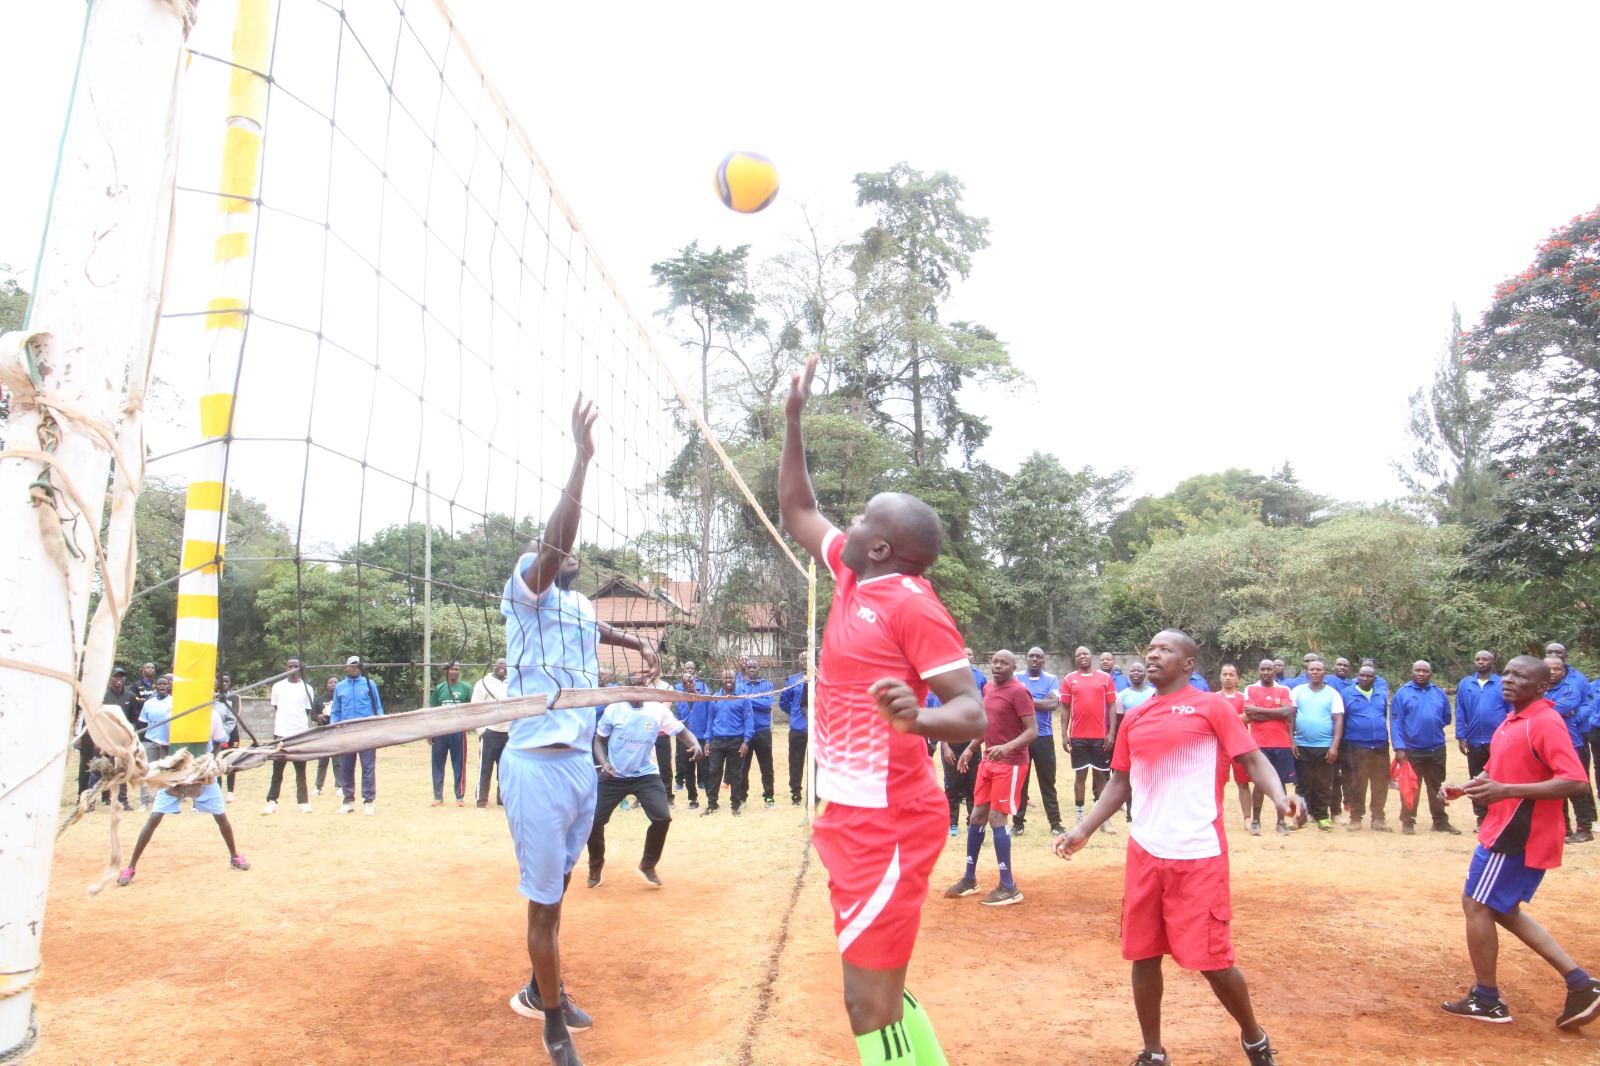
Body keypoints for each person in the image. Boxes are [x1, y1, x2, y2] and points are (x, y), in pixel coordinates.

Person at [779, 353, 985, 1066]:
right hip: (850, 810)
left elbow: (972, 714)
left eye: (863, 515)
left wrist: (917, 718)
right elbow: (798, 509)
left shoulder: (911, 605)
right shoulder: (849, 571)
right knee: (877, 994)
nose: (850, 519)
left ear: (882, 545)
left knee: (866, 1003)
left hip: (890, 821)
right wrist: (794, 418)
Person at [498, 397, 659, 1066]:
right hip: (534, 762)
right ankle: (553, 1023)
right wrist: (582, 458)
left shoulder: (578, 604)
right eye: (546, 546)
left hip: (576, 769)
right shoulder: (523, 593)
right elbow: (558, 538)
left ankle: (544, 987)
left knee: (557, 893)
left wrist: (640, 644)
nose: (559, 551)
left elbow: (598, 630)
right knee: (542, 903)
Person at [1056, 630, 1297, 1066]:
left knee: (1212, 959)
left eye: (1165, 650)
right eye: (1150, 649)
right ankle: (1153, 1051)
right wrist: (1084, 828)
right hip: (1146, 851)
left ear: (1188, 664)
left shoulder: (1212, 708)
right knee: (1143, 955)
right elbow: (1120, 782)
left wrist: (1281, 800)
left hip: (1198, 854)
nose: (1153, 655)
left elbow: (1252, 758)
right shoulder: (1135, 716)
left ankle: (1254, 1038)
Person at [1437, 654, 1600, 1030]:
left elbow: (1575, 780)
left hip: (1518, 834)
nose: (1508, 680)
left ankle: (1487, 998)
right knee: (1501, 908)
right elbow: (1498, 768)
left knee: (1477, 905)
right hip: (1503, 829)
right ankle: (1580, 983)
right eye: (1507, 673)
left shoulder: (1545, 721)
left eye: (1519, 675)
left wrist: (1507, 790)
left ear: (1542, 686)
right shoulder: (1513, 721)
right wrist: (1468, 786)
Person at [117, 686, 249, 886]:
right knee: (154, 818)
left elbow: (217, 742)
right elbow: (164, 745)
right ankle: (131, 867)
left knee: (221, 817)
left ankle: (234, 856)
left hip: (202, 773)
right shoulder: (173, 716)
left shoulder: (211, 716)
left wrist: (208, 765)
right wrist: (169, 770)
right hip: (175, 773)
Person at [585, 682, 702, 889]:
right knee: (593, 822)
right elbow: (599, 740)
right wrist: (604, 764)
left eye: (641, 687)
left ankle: (647, 865)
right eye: (633, 687)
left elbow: (682, 732)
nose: (637, 691)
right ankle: (596, 864)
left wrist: (695, 744)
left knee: (662, 818)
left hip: (645, 775)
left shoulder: (657, 710)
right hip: (614, 775)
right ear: (626, 690)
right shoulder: (614, 709)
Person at [944, 649, 1035, 905]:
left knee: (997, 817)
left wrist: (1007, 747)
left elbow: (1032, 731)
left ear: (1013, 667)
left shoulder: (1019, 692)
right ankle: (970, 878)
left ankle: (1009, 886)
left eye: (1004, 662)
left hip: (1011, 763)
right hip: (988, 761)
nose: (997, 666)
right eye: (994, 661)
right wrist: (972, 748)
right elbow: (988, 726)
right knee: (976, 816)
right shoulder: (989, 690)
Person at [1392, 660, 1461, 835]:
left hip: (1436, 748)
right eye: (1418, 671)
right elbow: (1396, 722)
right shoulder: (1402, 694)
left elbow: (1446, 718)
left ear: (1430, 674)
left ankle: (1440, 821)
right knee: (1410, 787)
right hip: (1411, 750)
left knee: (1437, 786)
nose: (1421, 674)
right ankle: (1408, 821)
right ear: (1412, 672)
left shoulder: (1439, 693)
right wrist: (1399, 748)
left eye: (1425, 671)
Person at [1061, 645, 1119, 832]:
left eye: (1085, 654)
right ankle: (1079, 817)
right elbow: (1065, 708)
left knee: (1101, 776)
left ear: (1091, 657)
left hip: (1100, 736)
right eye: (1078, 655)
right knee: (1080, 775)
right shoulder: (1069, 679)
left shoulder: (1105, 678)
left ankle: (1104, 820)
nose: (1082, 657)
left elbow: (1111, 706)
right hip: (1078, 736)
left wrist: (1111, 733)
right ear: (1075, 659)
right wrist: (1064, 734)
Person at [1289, 659, 1345, 832]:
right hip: (1301, 745)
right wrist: (1291, 741)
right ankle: (1300, 818)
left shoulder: (1333, 694)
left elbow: (1338, 721)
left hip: (1325, 746)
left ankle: (1322, 818)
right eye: (1311, 669)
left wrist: (1334, 746)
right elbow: (1290, 717)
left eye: (1318, 669)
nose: (1314, 672)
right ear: (1307, 672)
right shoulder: (1297, 691)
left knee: (1323, 783)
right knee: (1302, 783)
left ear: (1324, 673)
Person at [1243, 660, 1297, 836]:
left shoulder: (1285, 690)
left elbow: (1288, 712)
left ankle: (1281, 822)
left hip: (1281, 744)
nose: (1265, 672)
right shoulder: (1250, 689)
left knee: (1280, 784)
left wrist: (1261, 710)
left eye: (1269, 669)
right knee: (1259, 784)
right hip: (1259, 744)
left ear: (1275, 671)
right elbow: (1251, 715)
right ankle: (1256, 821)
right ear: (1258, 671)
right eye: (1262, 669)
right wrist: (1276, 712)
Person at [1013, 647, 1063, 836]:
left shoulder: (1051, 679)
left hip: (1044, 737)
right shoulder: (1017, 678)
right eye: (1031, 656)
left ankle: (1056, 824)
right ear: (1026, 659)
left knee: (1048, 782)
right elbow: (1012, 701)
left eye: (1038, 657)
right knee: (1021, 782)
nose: (1034, 659)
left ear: (1043, 661)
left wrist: (1025, 699)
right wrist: (1040, 701)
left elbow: (1053, 705)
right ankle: (1018, 824)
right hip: (1021, 737)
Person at [1456, 651, 1509, 827]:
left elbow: (1511, 709)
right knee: (1477, 778)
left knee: (1500, 776)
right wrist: (1460, 736)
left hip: (1498, 740)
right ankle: (1482, 818)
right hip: (1474, 740)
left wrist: (1509, 734)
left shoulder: (1502, 683)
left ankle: (1501, 816)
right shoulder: (1466, 684)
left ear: (1492, 663)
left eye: (1485, 659)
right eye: (1478, 659)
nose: (1481, 662)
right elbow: (1460, 710)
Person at [1546, 656, 1595, 843]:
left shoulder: (1568, 688)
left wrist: (1541, 706)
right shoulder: (1540, 688)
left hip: (1571, 743)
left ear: (1563, 671)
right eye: (1548, 668)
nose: (1552, 672)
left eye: (1557, 669)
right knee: (1555, 787)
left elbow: (1564, 706)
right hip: (1549, 744)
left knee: (1576, 785)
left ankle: (1584, 828)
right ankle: (1563, 827)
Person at [330, 657, 384, 815]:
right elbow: (336, 711)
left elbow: (378, 707)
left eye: (358, 665)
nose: (356, 668)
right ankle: (348, 801)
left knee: (368, 767)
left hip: (366, 732)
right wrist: (334, 728)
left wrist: (379, 725)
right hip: (347, 733)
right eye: (352, 665)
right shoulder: (340, 687)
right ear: (346, 667)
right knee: (346, 767)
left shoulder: (369, 683)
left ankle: (368, 802)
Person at [1342, 664, 1393, 832]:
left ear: (1375, 679)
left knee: (1380, 783)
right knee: (1358, 783)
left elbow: (1382, 716)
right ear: (1357, 676)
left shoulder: (1380, 694)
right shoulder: (1347, 694)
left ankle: (1378, 819)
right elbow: (1341, 719)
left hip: (1380, 744)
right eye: (1362, 675)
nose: (1365, 678)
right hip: (1357, 745)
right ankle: (1356, 819)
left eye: (1368, 676)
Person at [263, 658, 315, 815]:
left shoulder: (307, 688)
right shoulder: (278, 687)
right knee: (277, 769)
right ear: (285, 668)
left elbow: (307, 710)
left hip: (299, 733)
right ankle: (272, 801)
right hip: (281, 733)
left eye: (296, 666)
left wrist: (298, 726)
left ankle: (303, 802)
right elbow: (276, 707)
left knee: (301, 770)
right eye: (290, 666)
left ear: (300, 669)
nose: (293, 668)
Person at [700, 668, 751, 817]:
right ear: (721, 680)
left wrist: (746, 741)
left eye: (731, 678)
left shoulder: (743, 698)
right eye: (725, 678)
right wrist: (708, 740)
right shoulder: (715, 698)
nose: (728, 680)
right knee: (714, 772)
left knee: (735, 774)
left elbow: (748, 721)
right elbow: (710, 721)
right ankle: (712, 805)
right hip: (717, 741)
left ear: (736, 679)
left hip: (736, 740)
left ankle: (735, 806)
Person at [428, 661, 473, 807]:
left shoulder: (466, 688)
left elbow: (472, 708)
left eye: (457, 669)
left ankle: (459, 797)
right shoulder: (440, 688)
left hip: (458, 731)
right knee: (438, 764)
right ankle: (438, 796)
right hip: (440, 731)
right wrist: (430, 731)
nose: (454, 672)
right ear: (447, 671)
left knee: (459, 764)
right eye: (452, 669)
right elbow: (432, 710)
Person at [736, 661, 777, 810]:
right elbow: (738, 704)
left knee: (766, 766)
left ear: (759, 669)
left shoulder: (767, 685)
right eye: (749, 668)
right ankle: (741, 799)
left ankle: (769, 798)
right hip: (745, 732)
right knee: (742, 767)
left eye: (755, 667)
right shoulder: (739, 686)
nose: (752, 670)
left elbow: (767, 704)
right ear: (746, 670)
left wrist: (747, 699)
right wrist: (757, 701)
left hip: (763, 731)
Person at [1216, 664, 1253, 832]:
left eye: (1232, 674)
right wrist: (1237, 718)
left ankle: (1247, 818)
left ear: (1238, 678)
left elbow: (1248, 718)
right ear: (1220, 677)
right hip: (1220, 746)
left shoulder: (1245, 698)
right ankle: (1216, 817)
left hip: (1239, 745)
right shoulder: (1214, 698)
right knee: (1218, 783)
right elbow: (1214, 721)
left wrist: (1227, 719)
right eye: (1225, 674)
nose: (1228, 677)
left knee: (1243, 783)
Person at [674, 665, 712, 809]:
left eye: (691, 682)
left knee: (706, 770)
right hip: (684, 738)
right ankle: (693, 800)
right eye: (685, 682)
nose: (689, 684)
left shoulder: (703, 697)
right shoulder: (678, 696)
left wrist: (709, 739)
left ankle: (711, 799)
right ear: (682, 684)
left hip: (701, 738)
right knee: (688, 770)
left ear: (695, 681)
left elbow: (710, 718)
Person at [473, 658, 510, 808]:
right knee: (485, 768)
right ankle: (481, 800)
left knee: (505, 768)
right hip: (490, 732)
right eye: (500, 664)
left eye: (506, 665)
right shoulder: (483, 683)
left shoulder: (512, 682)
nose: (503, 667)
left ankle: (502, 798)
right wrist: (482, 731)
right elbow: (475, 708)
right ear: (494, 665)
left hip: (507, 733)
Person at [781, 668, 810, 806]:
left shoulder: (820, 677)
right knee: (796, 763)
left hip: (816, 728)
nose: (805, 661)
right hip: (797, 728)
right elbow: (783, 702)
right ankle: (796, 794)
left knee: (816, 763)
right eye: (802, 658)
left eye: (807, 657)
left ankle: (814, 794)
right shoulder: (793, 680)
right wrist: (794, 713)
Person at [217, 672, 242, 801]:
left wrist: (225, 731)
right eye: (222, 681)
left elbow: (235, 714)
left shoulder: (234, 697)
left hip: (232, 735)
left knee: (231, 761)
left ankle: (230, 791)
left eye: (227, 681)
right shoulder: (213, 698)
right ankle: (217, 791)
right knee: (217, 761)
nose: (224, 684)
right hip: (217, 735)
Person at [312, 675, 337, 796]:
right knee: (322, 761)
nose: (333, 684)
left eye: (335, 682)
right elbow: (312, 715)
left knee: (338, 761)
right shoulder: (319, 699)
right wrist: (318, 717)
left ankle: (340, 787)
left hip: (337, 732)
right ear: (326, 685)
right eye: (330, 682)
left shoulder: (341, 698)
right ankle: (318, 787)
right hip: (323, 733)